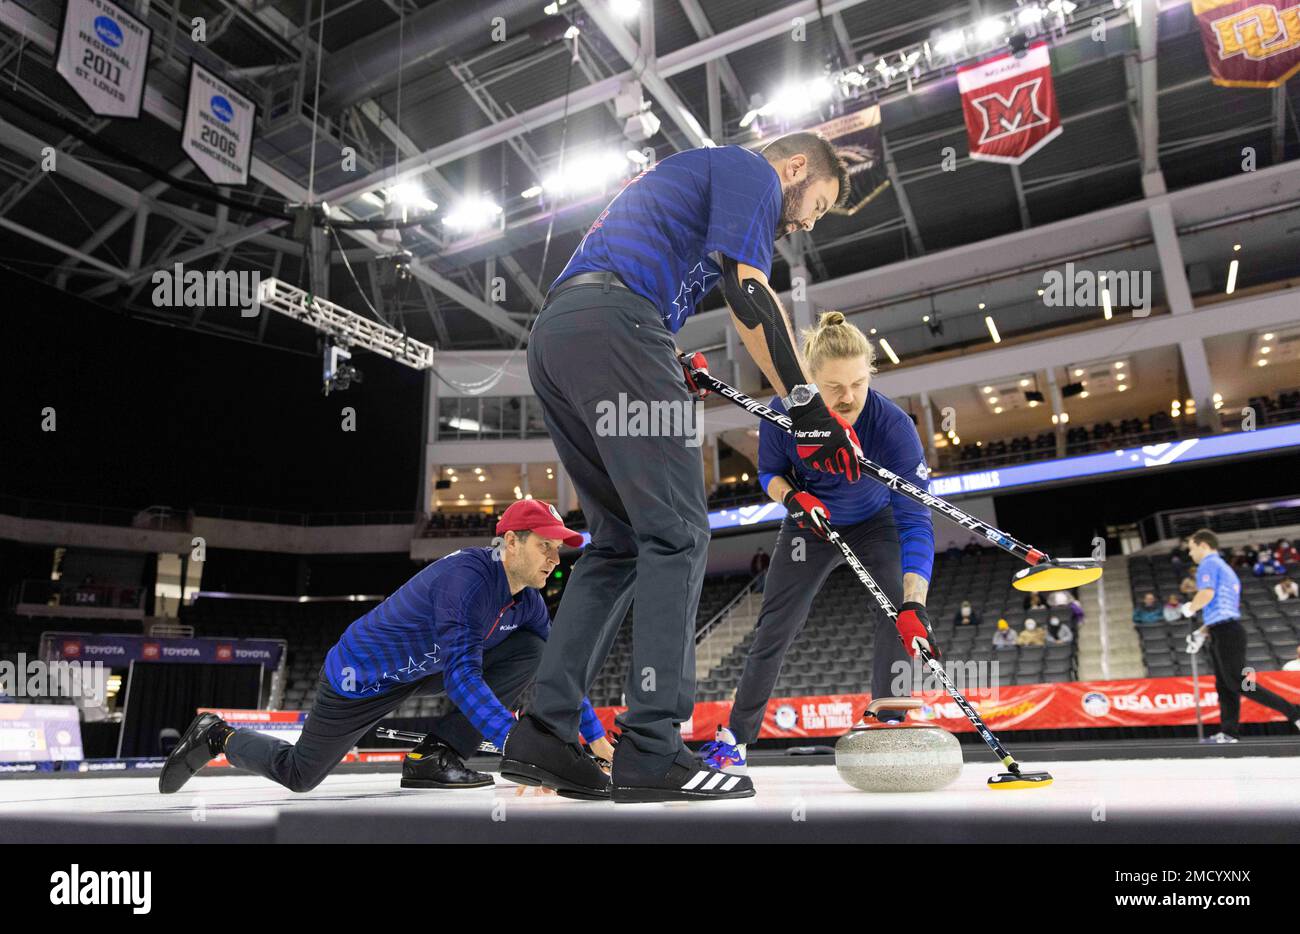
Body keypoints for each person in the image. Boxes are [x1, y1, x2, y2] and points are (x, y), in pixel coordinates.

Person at [510, 131, 859, 802]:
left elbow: (696, 282)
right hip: (618, 325)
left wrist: (662, 351)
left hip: (560, 336)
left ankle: (544, 737)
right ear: (793, 168)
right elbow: (749, 291)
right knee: (677, 532)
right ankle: (652, 747)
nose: (803, 224)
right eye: (812, 205)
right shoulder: (750, 174)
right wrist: (807, 408)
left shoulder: (700, 182)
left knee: (616, 544)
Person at [158, 501, 613, 795]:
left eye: (558, 550)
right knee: (300, 775)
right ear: (511, 542)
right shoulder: (467, 581)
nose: (555, 561)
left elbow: (560, 667)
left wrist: (595, 737)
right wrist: (513, 741)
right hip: (362, 677)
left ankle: (432, 758)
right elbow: (462, 677)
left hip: (425, 669)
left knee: (534, 649)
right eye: (545, 547)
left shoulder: (528, 601)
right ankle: (217, 735)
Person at [696, 311, 935, 773]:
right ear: (810, 379)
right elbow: (769, 474)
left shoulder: (893, 427)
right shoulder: (785, 413)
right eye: (834, 388)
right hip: (810, 524)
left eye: (859, 384)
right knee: (776, 625)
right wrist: (793, 498)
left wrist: (915, 602)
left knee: (895, 612)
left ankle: (889, 716)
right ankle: (736, 739)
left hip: (875, 523)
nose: (849, 399)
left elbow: (916, 521)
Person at [1181, 528, 1300, 743]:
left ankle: (1294, 713)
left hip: (1227, 631)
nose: (1190, 554)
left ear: (1203, 545)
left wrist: (1191, 607)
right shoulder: (1225, 568)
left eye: (1191, 548)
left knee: (1239, 682)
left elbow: (1206, 594)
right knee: (1225, 685)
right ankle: (1228, 733)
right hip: (1221, 629)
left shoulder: (1208, 563)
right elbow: (1221, 608)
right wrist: (1200, 632)